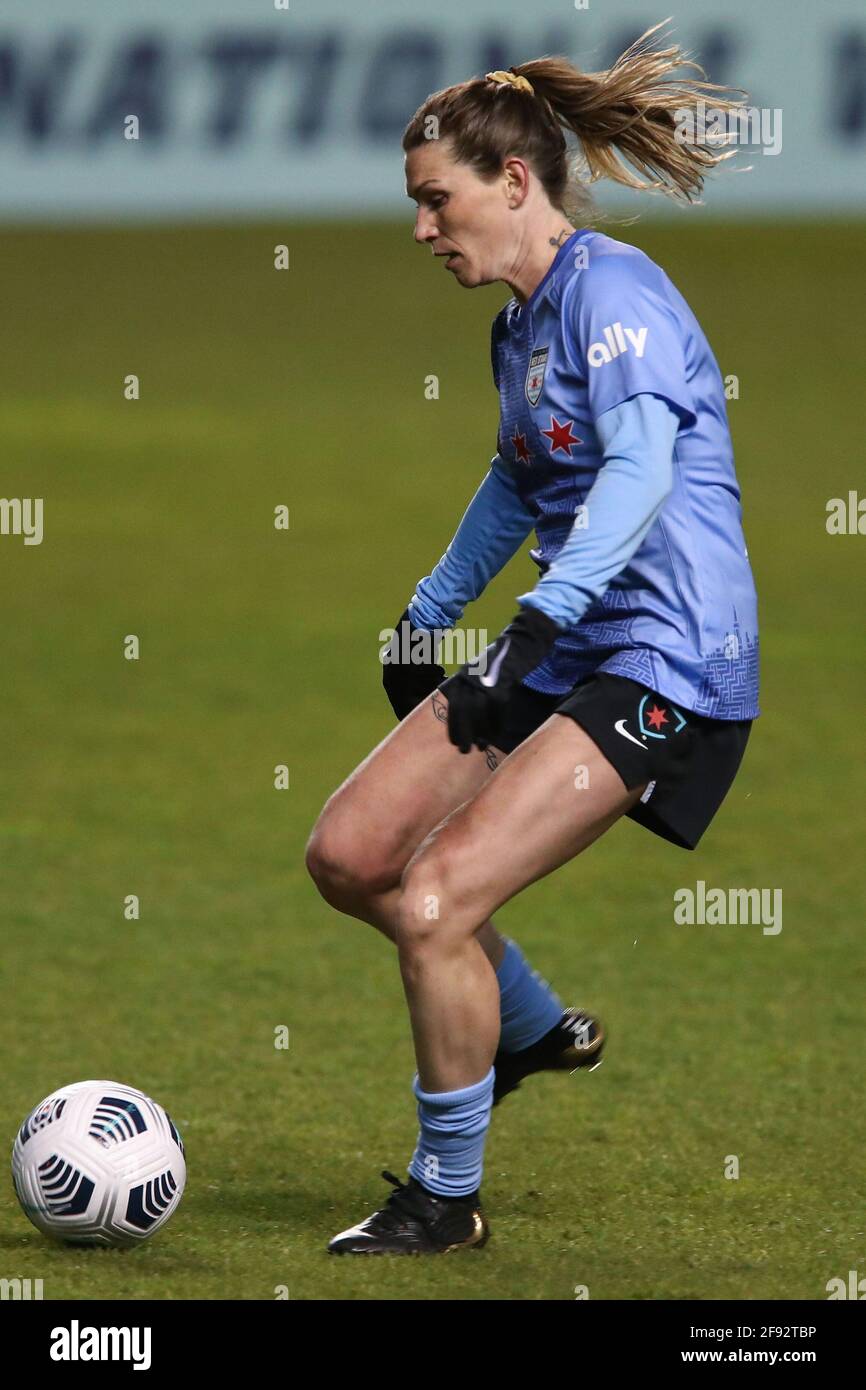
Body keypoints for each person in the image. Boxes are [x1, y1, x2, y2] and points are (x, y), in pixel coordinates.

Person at [306, 22, 759, 1255]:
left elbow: (636, 473)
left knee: (440, 895)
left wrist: (535, 620)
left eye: (433, 199)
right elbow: (519, 480)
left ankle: (444, 1200)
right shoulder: (521, 327)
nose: (420, 229)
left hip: (664, 657)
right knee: (351, 853)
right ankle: (524, 1026)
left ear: (513, 182)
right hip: (565, 640)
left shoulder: (612, 293)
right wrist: (429, 609)